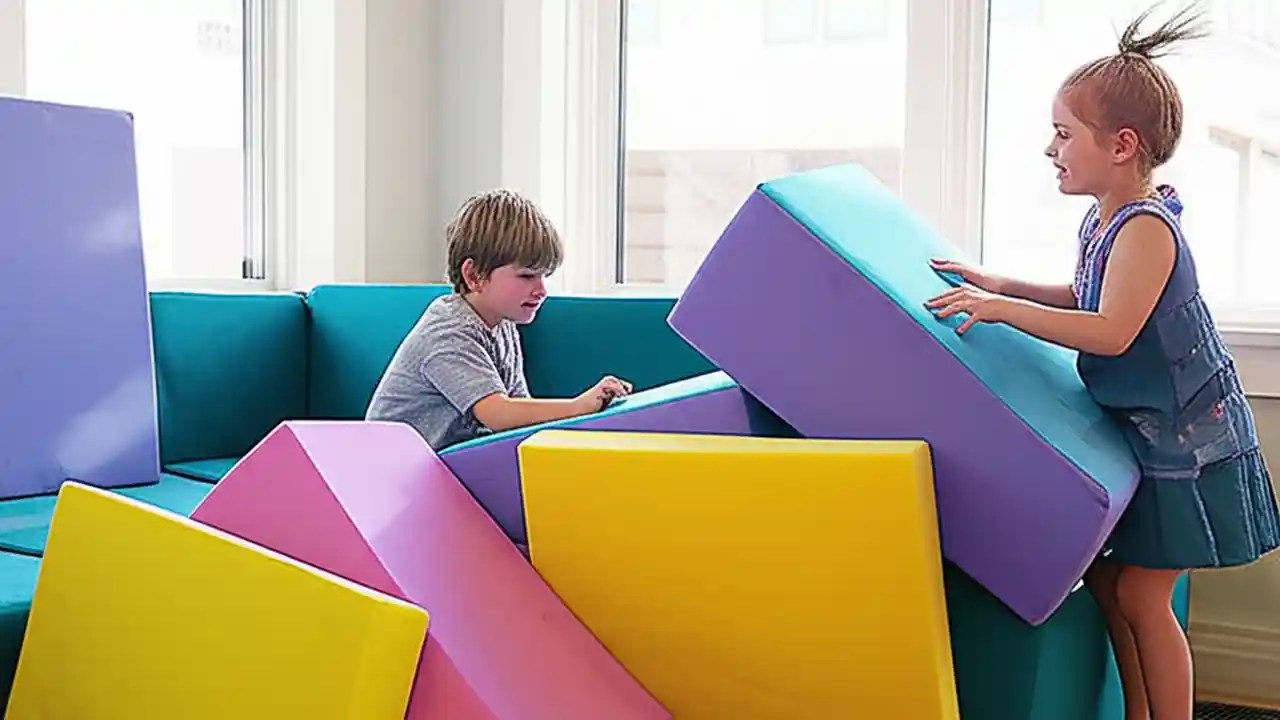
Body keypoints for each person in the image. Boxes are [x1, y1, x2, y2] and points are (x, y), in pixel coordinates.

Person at [925, 3, 1280, 718]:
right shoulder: (1103, 222)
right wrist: (1002, 283)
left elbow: (1111, 329)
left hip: (1190, 447)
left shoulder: (1148, 228)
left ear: (1121, 146)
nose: (1050, 149)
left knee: (1145, 594)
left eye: (1062, 134)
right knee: (1119, 585)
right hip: (1151, 439)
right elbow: (1086, 295)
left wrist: (1001, 313)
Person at [366, 188, 631, 450]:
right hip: (391, 471)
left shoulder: (502, 326)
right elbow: (498, 414)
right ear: (474, 276)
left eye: (544, 276)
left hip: (443, 464)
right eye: (527, 276)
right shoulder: (447, 333)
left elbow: (520, 417)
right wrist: (578, 406)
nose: (541, 290)